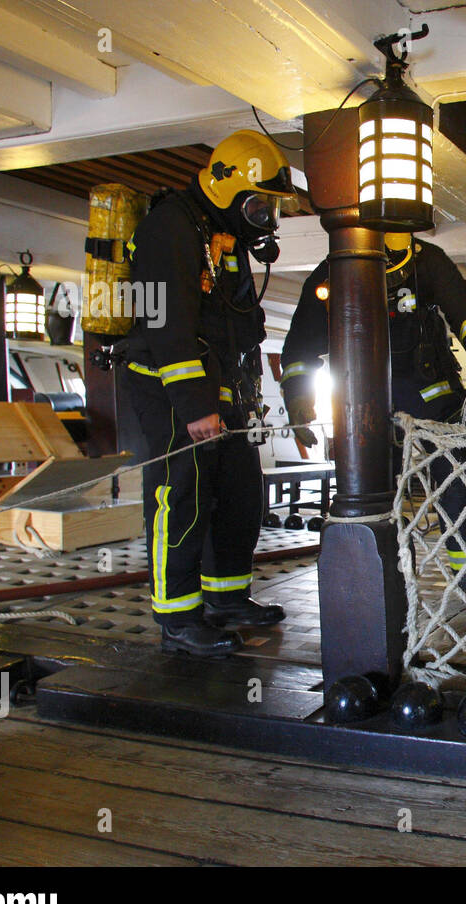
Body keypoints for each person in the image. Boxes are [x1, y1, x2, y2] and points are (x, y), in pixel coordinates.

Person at [124, 129, 294, 657]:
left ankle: (226, 598)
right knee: (183, 495)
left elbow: (237, 318)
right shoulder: (168, 227)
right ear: (231, 191)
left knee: (240, 492)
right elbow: (163, 321)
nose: (268, 215)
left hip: (225, 385)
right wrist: (196, 406)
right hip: (174, 390)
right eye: (262, 204)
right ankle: (177, 617)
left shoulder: (224, 239)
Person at [279, 233, 466, 596]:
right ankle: (370, 577)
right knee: (364, 493)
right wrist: (298, 396)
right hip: (362, 407)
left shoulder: (428, 260)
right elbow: (300, 346)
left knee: (463, 475)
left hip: (432, 395)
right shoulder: (331, 274)